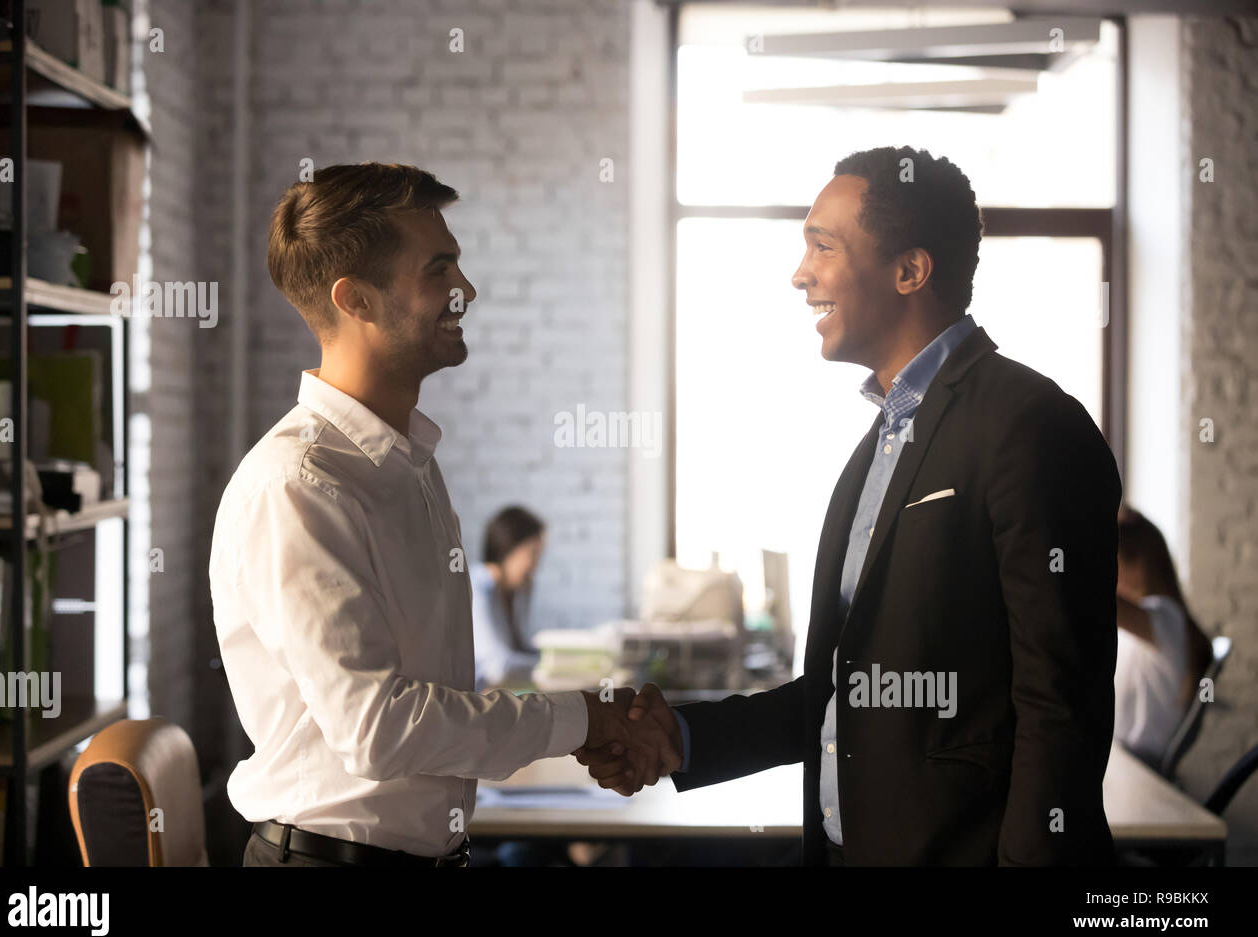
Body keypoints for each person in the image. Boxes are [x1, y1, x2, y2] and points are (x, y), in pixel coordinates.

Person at [577, 146, 1122, 866]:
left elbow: (1062, 709)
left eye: (822, 246)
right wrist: (682, 739)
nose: (800, 274)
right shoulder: (883, 442)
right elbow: (847, 697)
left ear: (909, 271)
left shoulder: (1030, 426)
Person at [208, 162, 678, 867]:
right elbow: (377, 728)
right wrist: (584, 719)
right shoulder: (299, 484)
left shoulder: (406, 465)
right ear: (356, 299)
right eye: (439, 270)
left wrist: (588, 721)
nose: (467, 290)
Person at [1113, 505, 1213, 768]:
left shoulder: (1165, 618)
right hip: (1127, 759)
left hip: (1136, 764)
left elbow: (1092, 591)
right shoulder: (1160, 621)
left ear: (1135, 567)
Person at [473, 506, 545, 691]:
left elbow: (519, 651)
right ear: (508, 547)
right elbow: (496, 668)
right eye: (533, 553)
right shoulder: (477, 586)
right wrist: (552, 669)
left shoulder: (511, 592)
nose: (535, 566)